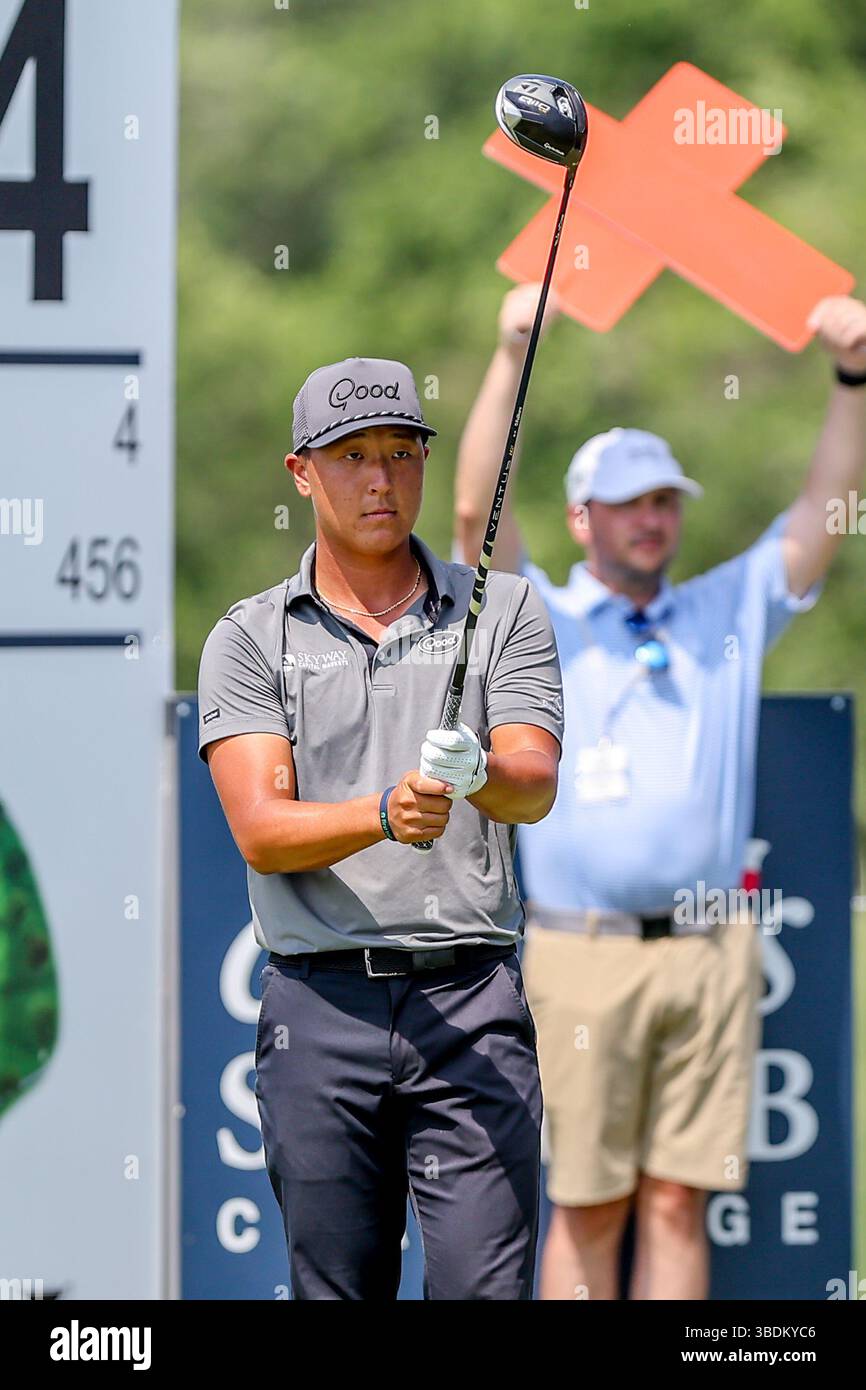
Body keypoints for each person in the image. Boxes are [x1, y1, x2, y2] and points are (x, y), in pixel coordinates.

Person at [453, 285, 866, 1300]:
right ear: (580, 517)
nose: (651, 520)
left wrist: (852, 375)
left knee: (681, 1202)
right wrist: (511, 353)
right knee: (586, 1208)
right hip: (578, 950)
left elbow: (822, 514)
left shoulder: (723, 609)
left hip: (708, 946)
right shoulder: (537, 619)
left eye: (663, 500)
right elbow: (472, 516)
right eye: (630, 502)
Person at [197, 356, 565, 1300]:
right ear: (300, 473)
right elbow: (262, 831)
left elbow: (535, 784)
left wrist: (479, 772)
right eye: (352, 455)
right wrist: (379, 815)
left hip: (472, 1004)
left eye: (402, 453)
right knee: (338, 1291)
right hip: (322, 1011)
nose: (380, 479)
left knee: (485, 1292)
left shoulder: (505, 609)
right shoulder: (249, 637)